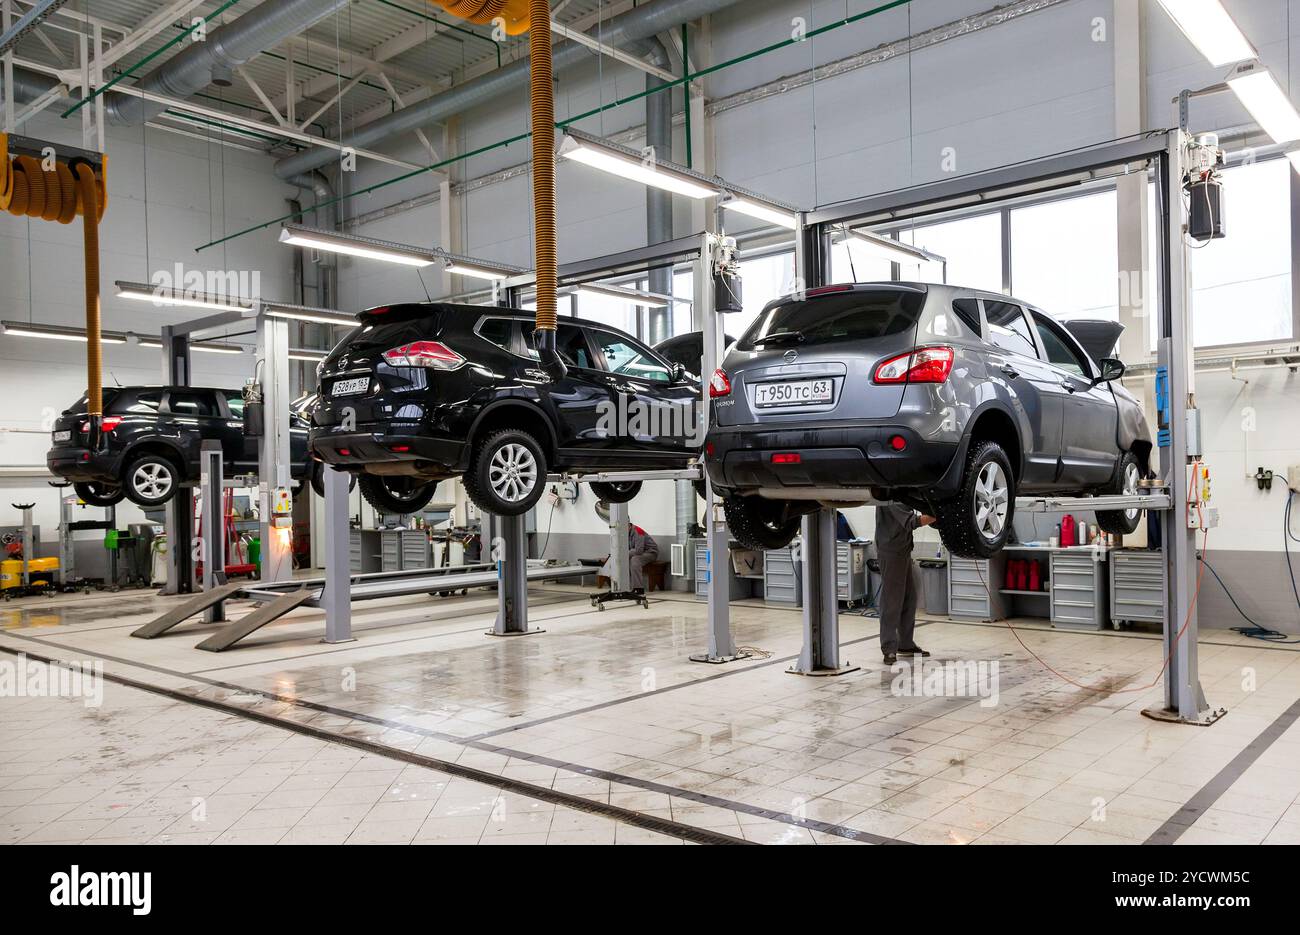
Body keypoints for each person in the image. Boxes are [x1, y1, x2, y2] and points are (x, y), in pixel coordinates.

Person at [874, 502, 936, 666]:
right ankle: (889, 648)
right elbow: (911, 522)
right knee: (892, 601)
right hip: (891, 552)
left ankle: (906, 644)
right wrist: (938, 517)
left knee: (909, 598)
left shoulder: (902, 491)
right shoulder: (891, 496)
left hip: (903, 549)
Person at [599, 523, 659, 593]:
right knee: (620, 560)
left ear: (628, 526)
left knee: (635, 560)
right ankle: (621, 587)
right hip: (638, 553)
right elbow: (622, 548)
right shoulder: (624, 533)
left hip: (650, 553)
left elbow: (638, 550)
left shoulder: (638, 531)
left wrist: (623, 554)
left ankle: (638, 588)